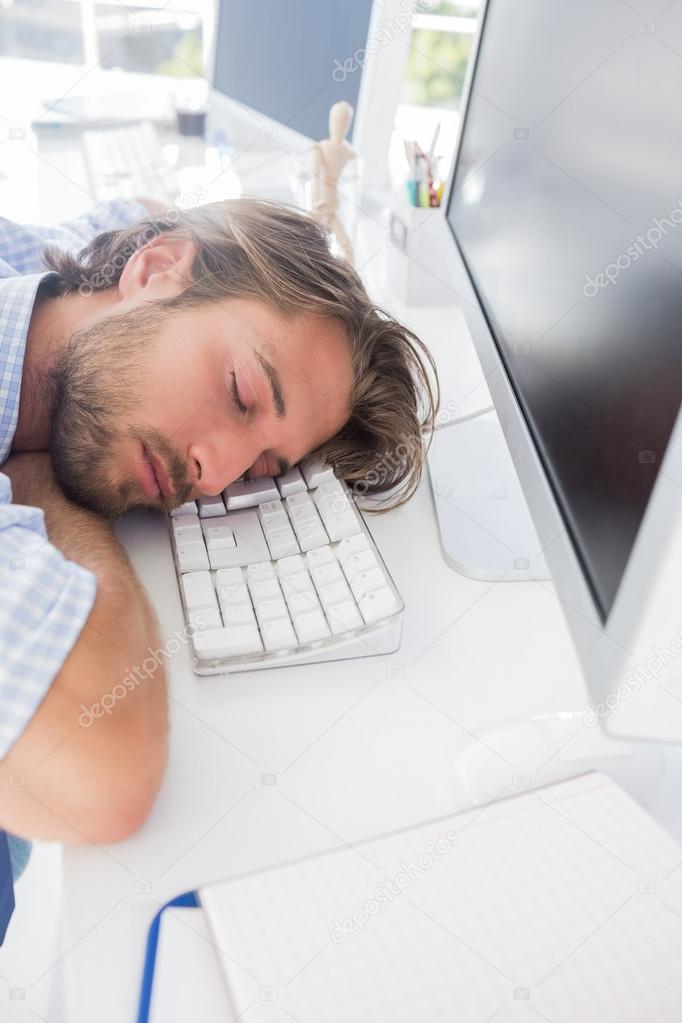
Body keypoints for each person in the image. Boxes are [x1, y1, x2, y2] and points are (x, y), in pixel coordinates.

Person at [0, 194, 437, 933]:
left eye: (261, 467)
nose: (212, 473)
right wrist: (40, 482)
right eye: (241, 393)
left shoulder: (67, 281)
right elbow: (103, 780)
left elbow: (133, 208)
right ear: (154, 267)